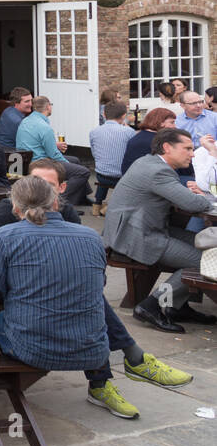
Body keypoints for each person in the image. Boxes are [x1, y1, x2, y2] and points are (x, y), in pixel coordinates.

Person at [0, 161, 192, 418]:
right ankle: (130, 359)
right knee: (85, 298)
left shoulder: (10, 235)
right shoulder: (90, 236)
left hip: (31, 348)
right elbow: (98, 285)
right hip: (92, 349)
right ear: (55, 201)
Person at [104, 128, 217, 333]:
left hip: (140, 228)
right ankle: (151, 306)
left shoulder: (149, 162)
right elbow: (190, 203)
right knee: (205, 263)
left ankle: (177, 307)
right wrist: (204, 197)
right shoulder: (158, 171)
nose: (192, 154)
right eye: (188, 148)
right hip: (137, 236)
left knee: (204, 242)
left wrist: (198, 197)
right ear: (167, 148)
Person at [15, 95, 92, 206]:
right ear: (48, 107)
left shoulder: (26, 121)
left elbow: (37, 144)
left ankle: (81, 199)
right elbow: (54, 155)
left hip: (27, 160)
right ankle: (59, 202)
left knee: (75, 160)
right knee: (83, 172)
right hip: (40, 163)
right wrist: (67, 164)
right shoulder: (45, 127)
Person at [88, 101, 133, 216]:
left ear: (104, 114)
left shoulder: (94, 132)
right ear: (124, 116)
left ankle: (97, 205)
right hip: (120, 177)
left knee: (106, 168)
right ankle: (109, 208)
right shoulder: (129, 132)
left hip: (101, 174)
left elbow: (95, 154)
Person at [120, 107, 176, 176]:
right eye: (172, 122)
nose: (175, 126)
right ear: (161, 123)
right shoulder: (156, 141)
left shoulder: (140, 136)